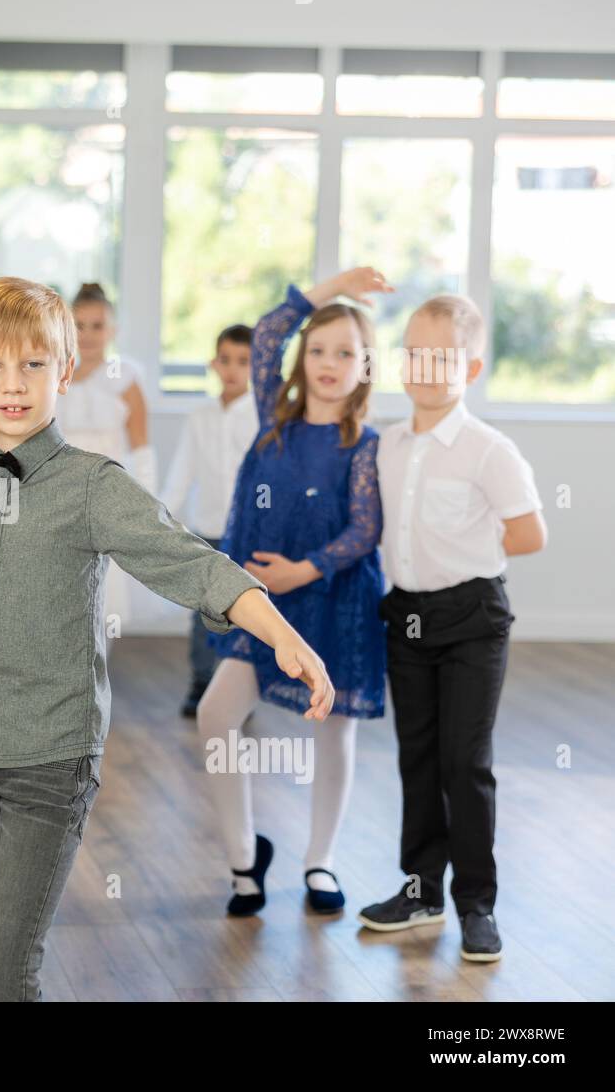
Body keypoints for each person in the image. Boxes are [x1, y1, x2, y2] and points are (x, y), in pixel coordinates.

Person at [0, 276, 335, 1001]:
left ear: (66, 370)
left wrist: (282, 634)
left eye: (32, 365)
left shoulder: (93, 485)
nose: (12, 385)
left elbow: (191, 560)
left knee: (0, 972)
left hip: (49, 760)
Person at [197, 268, 391, 917]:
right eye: (318, 350)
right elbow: (270, 332)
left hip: (333, 602)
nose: (330, 363)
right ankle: (244, 859)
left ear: (365, 367)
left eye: (345, 352)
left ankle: (320, 861)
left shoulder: (364, 446)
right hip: (264, 606)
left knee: (333, 733)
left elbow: (365, 530)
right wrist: (331, 287)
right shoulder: (270, 419)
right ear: (299, 361)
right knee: (216, 715)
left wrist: (299, 571)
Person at [360, 294, 547, 963]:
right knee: (417, 757)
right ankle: (421, 889)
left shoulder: (487, 449)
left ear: (469, 369)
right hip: (406, 617)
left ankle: (477, 902)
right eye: (413, 350)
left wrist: (468, 542)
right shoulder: (388, 443)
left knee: (464, 764)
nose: (424, 364)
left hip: (472, 620)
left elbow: (530, 533)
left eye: (441, 354)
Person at [160, 324, 258, 717]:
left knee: (247, 615)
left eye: (244, 361)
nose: (233, 369)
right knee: (204, 615)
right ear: (213, 364)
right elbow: (182, 473)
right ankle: (200, 683)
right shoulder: (199, 416)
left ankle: (239, 691)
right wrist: (161, 518)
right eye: (226, 360)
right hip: (207, 531)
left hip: (249, 535)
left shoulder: (261, 417)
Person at [59, 283, 156, 639]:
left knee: (105, 595)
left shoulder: (126, 377)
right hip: (62, 489)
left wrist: (146, 503)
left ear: (112, 330)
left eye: (97, 325)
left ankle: (98, 674)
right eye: (79, 325)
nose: (87, 334)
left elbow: (142, 444)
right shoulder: (54, 374)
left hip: (107, 488)